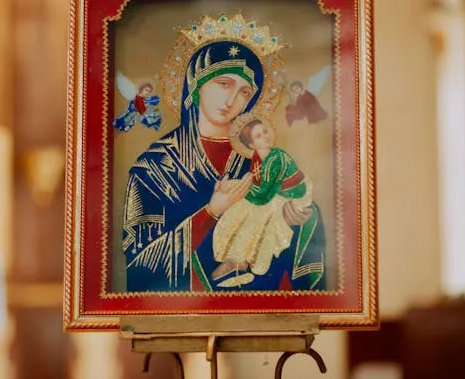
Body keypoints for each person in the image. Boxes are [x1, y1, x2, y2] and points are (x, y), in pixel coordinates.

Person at [122, 36, 327, 292]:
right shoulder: (154, 168)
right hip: (184, 319)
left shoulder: (259, 157)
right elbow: (140, 265)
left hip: (262, 310)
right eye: (223, 83)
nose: (232, 99)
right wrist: (211, 212)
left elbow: (299, 205)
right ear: (196, 85)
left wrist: (293, 215)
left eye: (244, 92)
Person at [209, 117, 321, 289]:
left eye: (265, 132)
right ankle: (234, 258)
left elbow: (264, 195)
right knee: (241, 208)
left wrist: (235, 187)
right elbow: (258, 185)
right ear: (252, 145)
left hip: (295, 193)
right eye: (259, 136)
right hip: (276, 193)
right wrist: (231, 188)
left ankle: (247, 260)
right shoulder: (257, 157)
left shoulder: (277, 157)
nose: (266, 137)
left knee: (262, 211)